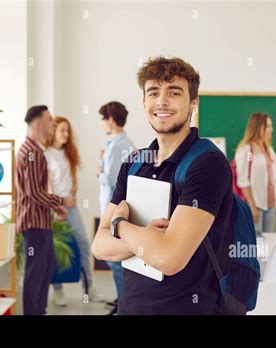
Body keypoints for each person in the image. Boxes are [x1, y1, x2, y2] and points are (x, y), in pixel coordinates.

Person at [91, 56, 235, 315]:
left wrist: (120, 225)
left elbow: (169, 259)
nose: (162, 101)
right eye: (153, 92)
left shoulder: (207, 164)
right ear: (144, 102)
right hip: (131, 307)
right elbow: (99, 247)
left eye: (174, 92)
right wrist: (146, 238)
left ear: (194, 103)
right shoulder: (134, 162)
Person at [16, 105, 76, 315]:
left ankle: (38, 311)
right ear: (38, 123)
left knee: (46, 267)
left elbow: (36, 192)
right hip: (34, 223)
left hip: (40, 221)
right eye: (50, 120)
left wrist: (56, 207)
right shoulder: (32, 153)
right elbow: (34, 193)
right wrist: (63, 201)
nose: (53, 123)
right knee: (35, 273)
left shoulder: (34, 150)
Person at [45, 116, 105, 305]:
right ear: (53, 131)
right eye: (62, 130)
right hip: (54, 208)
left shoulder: (68, 152)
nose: (66, 134)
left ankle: (89, 289)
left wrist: (75, 188)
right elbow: (47, 185)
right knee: (57, 250)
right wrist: (56, 206)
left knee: (84, 245)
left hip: (71, 207)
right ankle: (58, 291)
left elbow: (72, 174)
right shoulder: (46, 154)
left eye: (67, 130)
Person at [97, 101, 135, 314]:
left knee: (115, 260)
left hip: (112, 209)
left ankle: (124, 302)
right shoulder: (120, 143)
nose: (103, 123)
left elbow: (111, 179)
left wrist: (99, 167)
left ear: (110, 119)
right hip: (113, 208)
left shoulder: (119, 144)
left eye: (103, 119)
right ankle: (122, 299)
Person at [234, 113, 276, 233]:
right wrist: (252, 207)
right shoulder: (246, 151)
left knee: (269, 243)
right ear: (258, 127)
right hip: (255, 206)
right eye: (268, 126)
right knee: (256, 245)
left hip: (270, 205)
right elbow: (243, 181)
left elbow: (273, 170)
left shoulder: (267, 149)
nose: (272, 129)